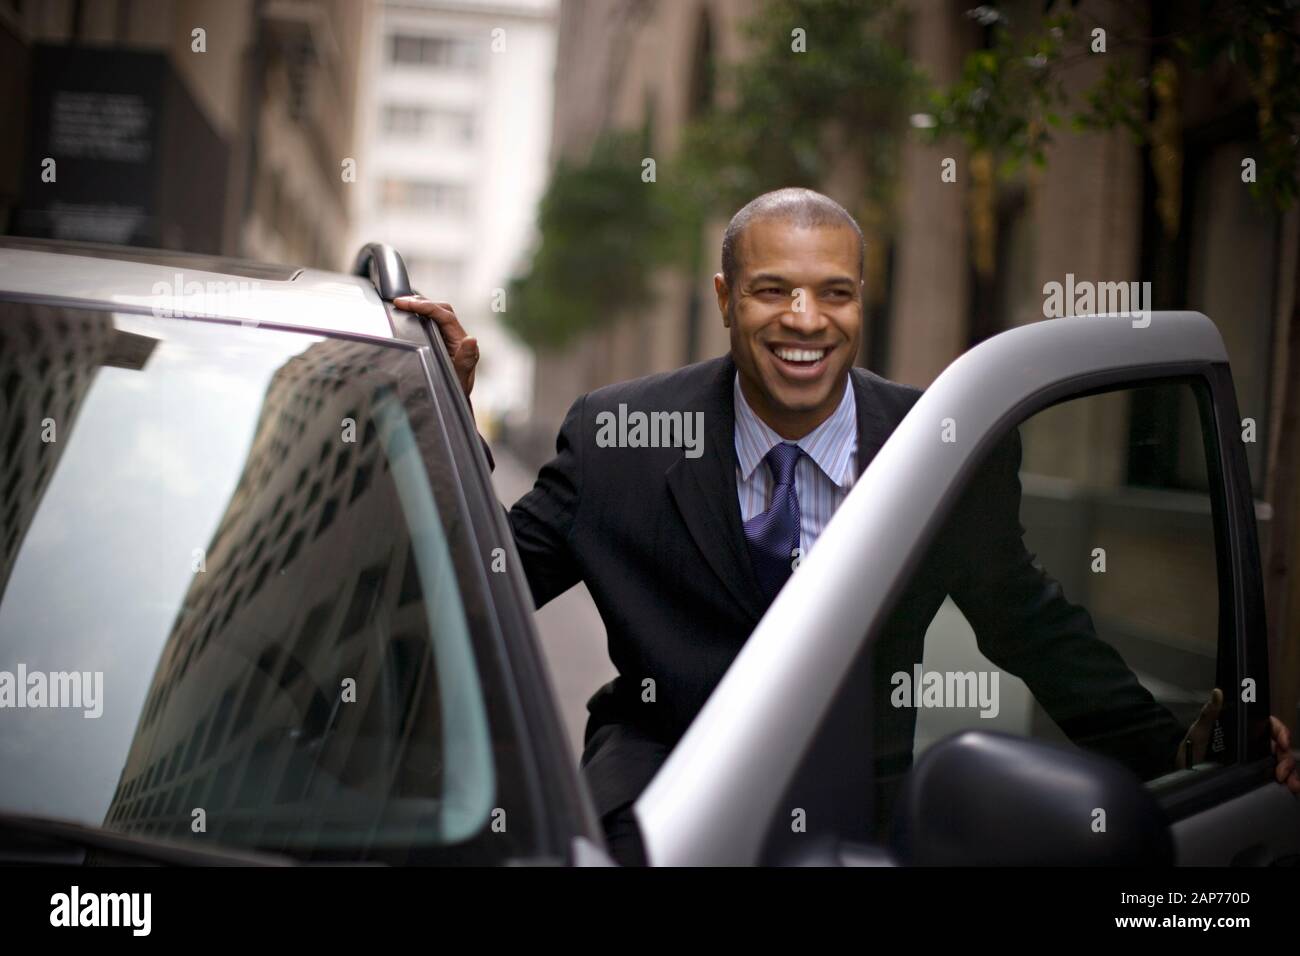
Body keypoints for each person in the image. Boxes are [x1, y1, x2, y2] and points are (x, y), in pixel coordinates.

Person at [396, 187, 1299, 866]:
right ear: (723, 298)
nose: (804, 320)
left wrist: (1185, 749)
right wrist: (446, 426)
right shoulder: (618, 438)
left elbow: (1031, 623)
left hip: (854, 815)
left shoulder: (938, 439)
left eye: (834, 293)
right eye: (772, 291)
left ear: (862, 300)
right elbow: (475, 582)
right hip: (657, 794)